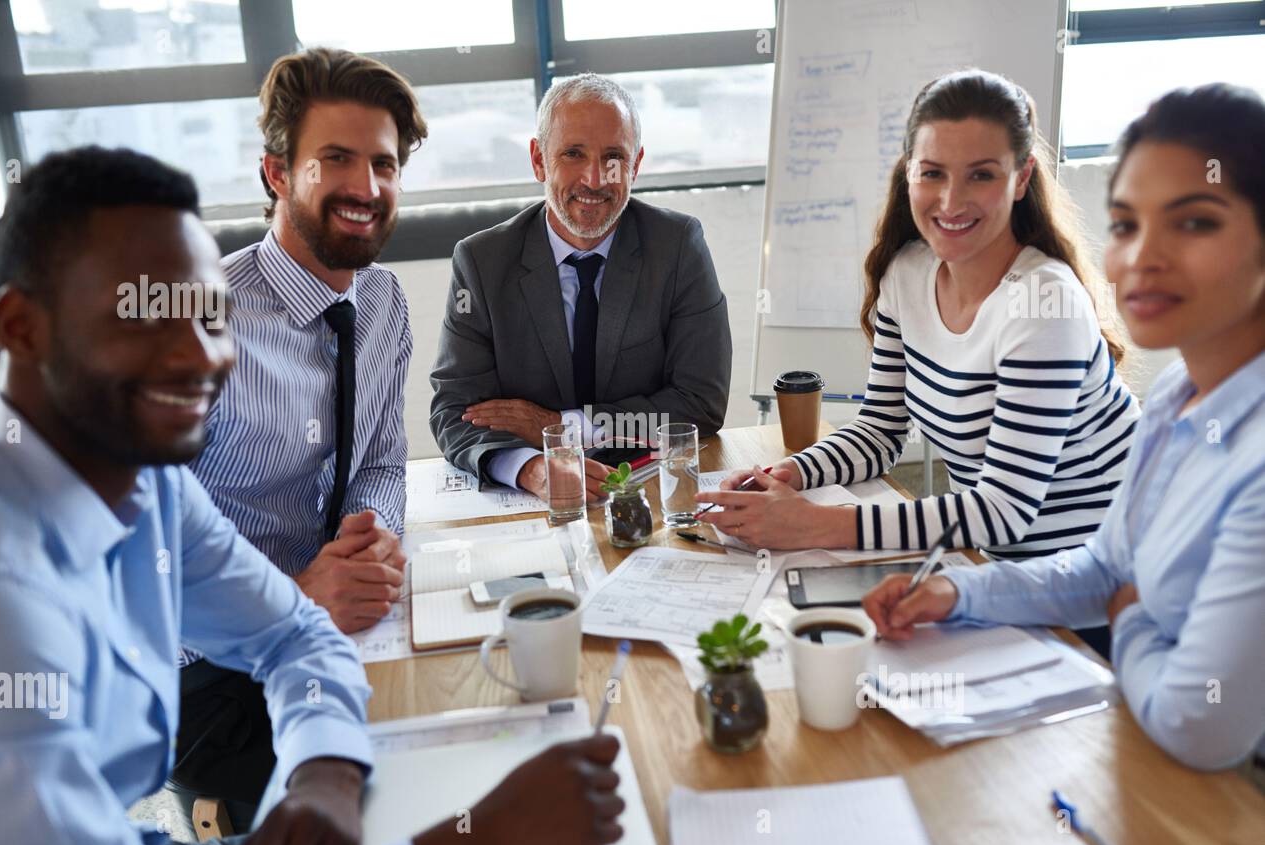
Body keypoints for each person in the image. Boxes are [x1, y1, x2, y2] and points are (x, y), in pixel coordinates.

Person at [0, 146, 625, 845]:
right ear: (22, 327)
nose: (206, 356)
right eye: (149, 314)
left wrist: (326, 769)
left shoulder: (145, 481)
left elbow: (294, 635)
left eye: (209, 313)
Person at [862, 84, 1265, 773]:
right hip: (1142, 730)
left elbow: (1199, 720)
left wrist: (1127, 617)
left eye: (1194, 222)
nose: (1143, 257)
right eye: (1127, 224)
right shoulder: (1175, 397)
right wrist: (958, 592)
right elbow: (1104, 567)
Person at [696, 70, 1139, 567]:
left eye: (982, 174)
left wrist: (815, 524)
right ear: (909, 173)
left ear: (1022, 179)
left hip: (1112, 578)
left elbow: (1005, 511)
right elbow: (881, 431)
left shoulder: (1043, 302)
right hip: (1006, 570)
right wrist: (784, 476)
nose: (951, 201)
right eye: (932, 172)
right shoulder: (906, 274)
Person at [172, 48, 423, 831]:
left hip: (349, 630)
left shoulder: (384, 302)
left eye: (384, 163)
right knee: (370, 828)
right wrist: (290, 600)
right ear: (278, 173)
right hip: (217, 679)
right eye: (336, 160)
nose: (366, 188)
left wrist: (373, 533)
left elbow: (382, 458)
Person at [429, 73, 731, 501]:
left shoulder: (678, 246)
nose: (594, 179)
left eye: (613, 157)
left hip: (652, 490)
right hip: (536, 502)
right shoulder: (481, 261)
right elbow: (455, 411)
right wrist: (531, 468)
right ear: (538, 160)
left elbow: (700, 405)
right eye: (573, 153)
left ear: (636, 165)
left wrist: (562, 426)